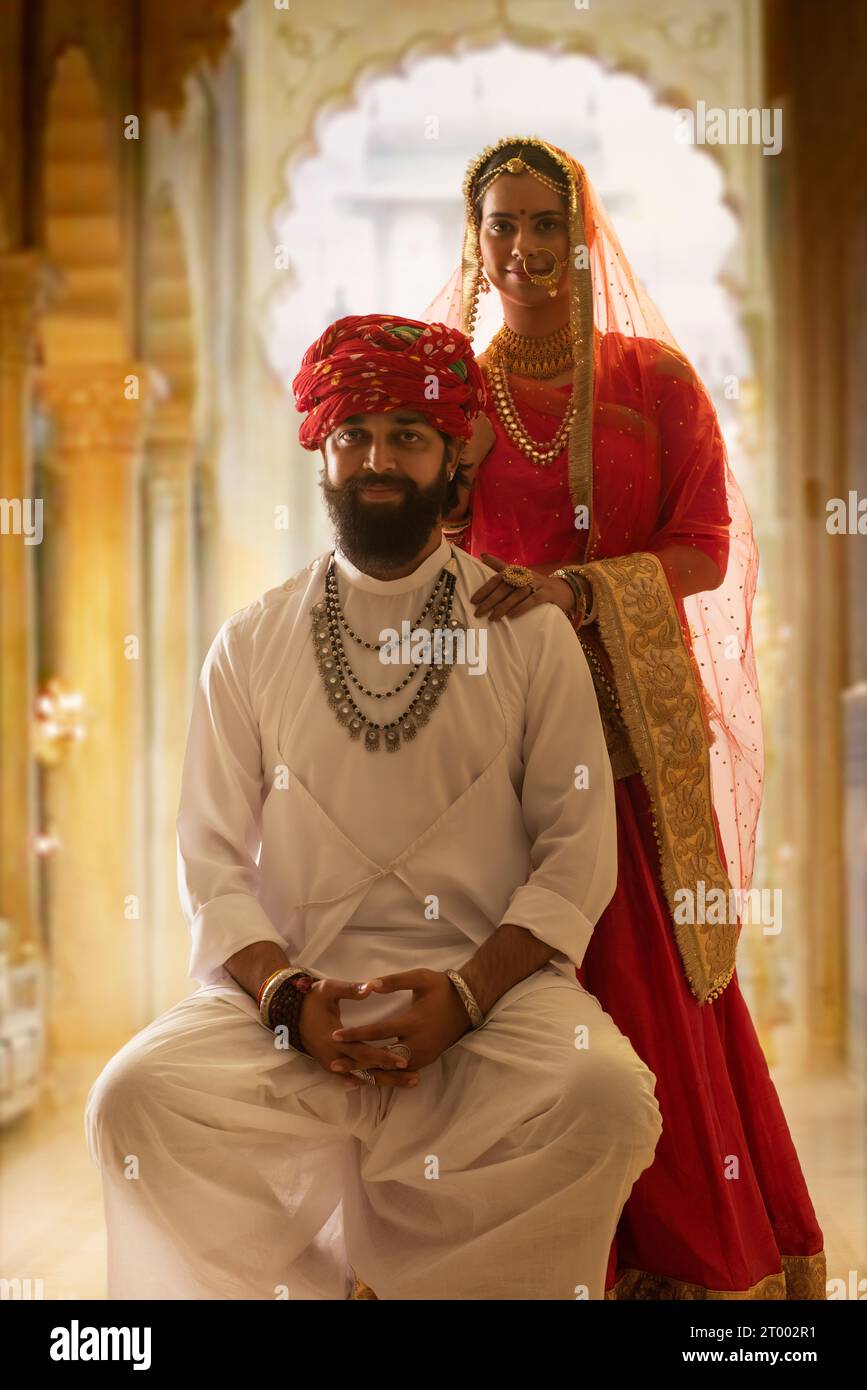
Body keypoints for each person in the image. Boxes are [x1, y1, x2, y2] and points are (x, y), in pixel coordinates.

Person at [84, 312, 663, 1301]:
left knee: (607, 1098)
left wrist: (468, 996)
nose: (377, 459)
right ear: (322, 452)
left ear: (451, 461)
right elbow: (212, 859)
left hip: (486, 1006)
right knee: (132, 1101)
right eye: (354, 434)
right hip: (291, 1010)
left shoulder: (525, 635)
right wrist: (292, 1001)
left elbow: (576, 852)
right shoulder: (252, 640)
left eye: (407, 434)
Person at [423, 136, 826, 1299]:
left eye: (546, 223)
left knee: (648, 984)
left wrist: (578, 589)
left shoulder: (654, 380)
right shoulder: (456, 396)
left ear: (581, 234)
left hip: (635, 742)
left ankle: (682, 1266)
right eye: (502, 225)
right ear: (477, 238)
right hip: (501, 742)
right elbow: (426, 547)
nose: (525, 248)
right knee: (517, 984)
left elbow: (704, 547)